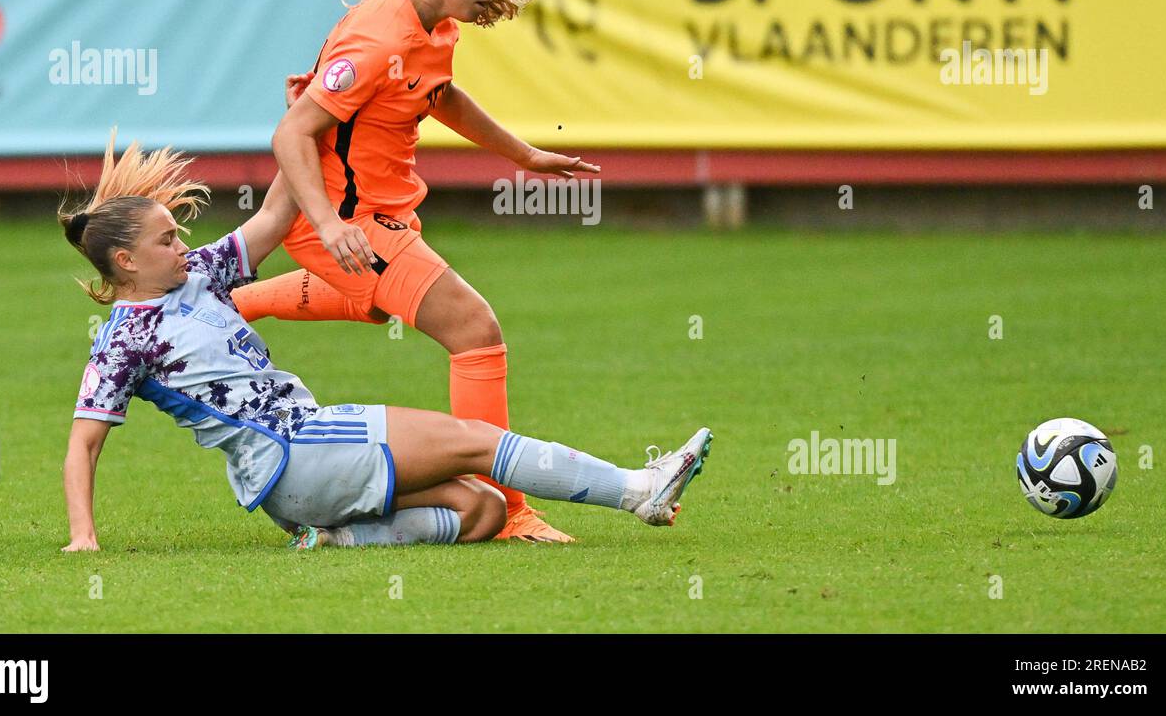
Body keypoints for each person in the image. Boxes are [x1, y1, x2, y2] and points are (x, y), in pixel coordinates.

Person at [60, 133, 711, 552]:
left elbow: (275, 216)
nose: (182, 246)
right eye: (166, 240)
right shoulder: (121, 343)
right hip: (294, 453)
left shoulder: (200, 274)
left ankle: (333, 539)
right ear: (125, 261)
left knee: (478, 509)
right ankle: (637, 491)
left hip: (306, 458)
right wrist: (83, 538)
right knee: (476, 441)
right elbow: (83, 444)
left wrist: (307, 122)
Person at [230, 0, 600, 542]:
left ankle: (240, 300)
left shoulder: (435, 21)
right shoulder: (379, 36)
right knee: (473, 328)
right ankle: (509, 512)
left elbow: (439, 93)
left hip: (382, 212)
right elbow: (293, 134)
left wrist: (523, 154)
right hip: (348, 218)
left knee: (376, 302)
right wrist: (328, 224)